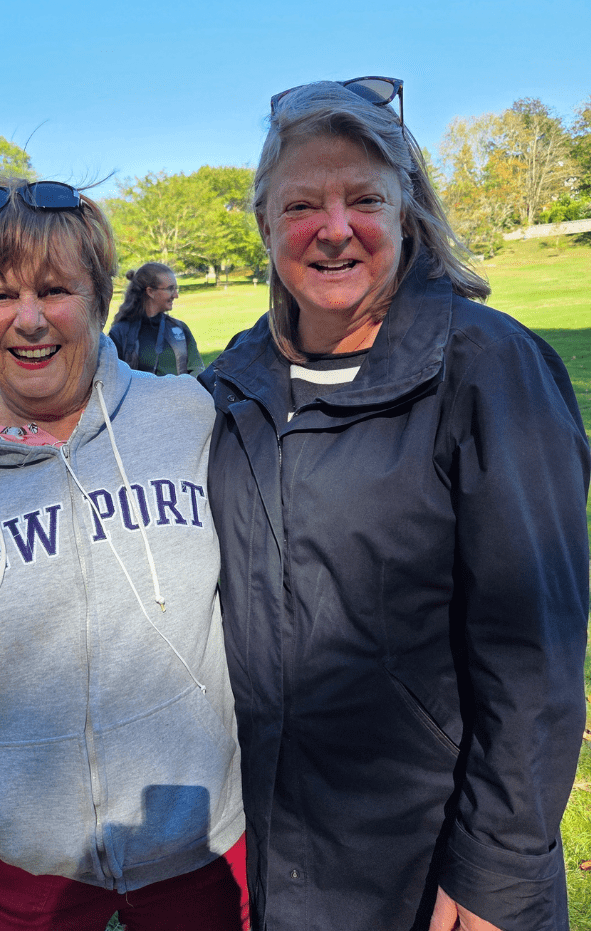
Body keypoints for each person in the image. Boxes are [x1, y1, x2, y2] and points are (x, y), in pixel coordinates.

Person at [199, 78, 591, 931]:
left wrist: (500, 870)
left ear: (406, 212)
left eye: (363, 198)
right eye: (302, 202)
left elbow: (535, 654)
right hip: (277, 854)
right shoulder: (230, 384)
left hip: (434, 868)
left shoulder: (489, 369)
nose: (333, 227)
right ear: (265, 223)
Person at [0, 177, 247, 931]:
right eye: (0, 294)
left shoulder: (186, 418)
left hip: (198, 831)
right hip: (17, 849)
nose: (29, 319)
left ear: (99, 296)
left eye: (55, 288)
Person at [109, 262, 205, 376]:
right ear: (150, 292)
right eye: (170, 289)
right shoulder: (120, 332)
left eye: (175, 289)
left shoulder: (180, 329)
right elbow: (113, 378)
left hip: (181, 394)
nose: (176, 295)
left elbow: (197, 370)